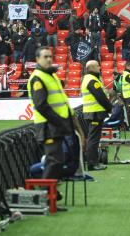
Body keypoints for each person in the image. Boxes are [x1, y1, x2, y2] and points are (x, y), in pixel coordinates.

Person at [26, 46, 80, 181]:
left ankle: (50, 193)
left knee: (57, 160)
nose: (49, 59)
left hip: (56, 125)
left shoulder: (51, 75)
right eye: (45, 57)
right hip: (48, 126)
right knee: (54, 160)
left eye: (50, 56)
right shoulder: (38, 78)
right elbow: (41, 105)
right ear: (37, 59)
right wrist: (60, 122)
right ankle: (45, 195)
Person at [81, 60, 112, 171]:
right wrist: (109, 107)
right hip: (94, 113)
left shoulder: (89, 79)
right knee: (93, 139)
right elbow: (100, 97)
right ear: (92, 67)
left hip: (93, 113)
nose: (100, 68)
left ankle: (93, 162)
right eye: (98, 66)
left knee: (93, 139)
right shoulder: (91, 80)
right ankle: (92, 163)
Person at [119, 61, 130, 129]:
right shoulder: (127, 75)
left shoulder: (127, 74)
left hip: (128, 95)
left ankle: (127, 126)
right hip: (128, 96)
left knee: (129, 111)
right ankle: (127, 126)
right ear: (127, 66)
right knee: (129, 112)